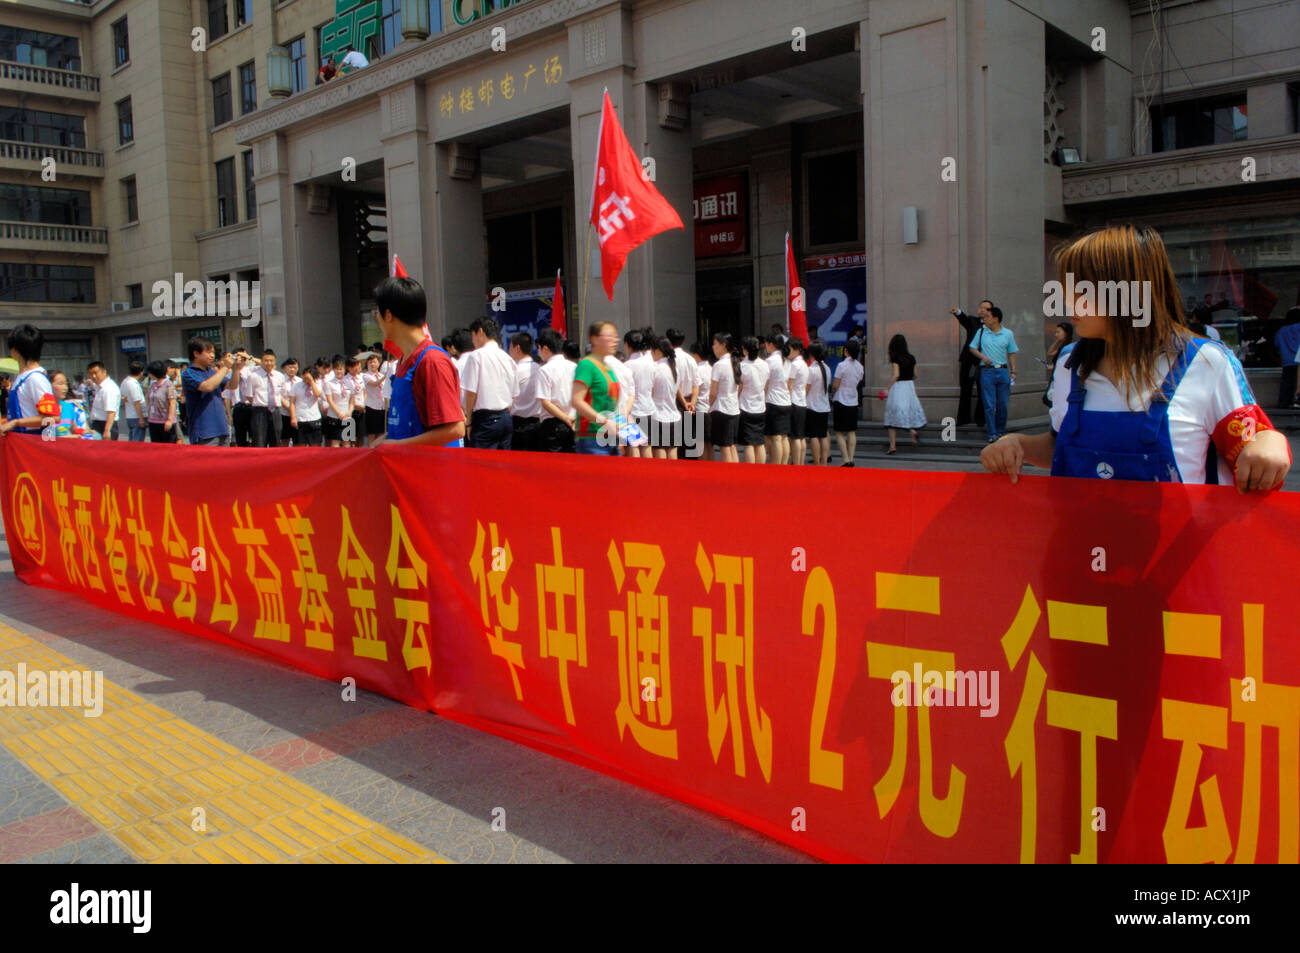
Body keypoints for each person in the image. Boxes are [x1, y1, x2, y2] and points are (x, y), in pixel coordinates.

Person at [982, 224, 1290, 493]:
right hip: (1076, 550)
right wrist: (1017, 444)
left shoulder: (1206, 363)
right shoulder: (1069, 364)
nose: (1065, 298)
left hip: (1175, 556)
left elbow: (1253, 445)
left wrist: (1271, 446)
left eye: (1078, 288)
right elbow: (1061, 446)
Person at [372, 277, 464, 446]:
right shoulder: (402, 361)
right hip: (406, 469)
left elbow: (455, 430)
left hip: (432, 470)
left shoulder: (432, 361)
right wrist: (385, 441)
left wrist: (396, 446)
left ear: (388, 315)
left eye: (376, 312)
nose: (376, 319)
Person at [463, 317, 519, 450]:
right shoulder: (508, 358)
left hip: (485, 420)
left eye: (473, 335)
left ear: (480, 332)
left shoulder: (476, 356)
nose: (472, 341)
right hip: (505, 418)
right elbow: (513, 394)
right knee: (503, 465)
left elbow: (470, 392)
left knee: (480, 466)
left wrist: (469, 421)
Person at [570, 322, 622, 456]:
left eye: (616, 337)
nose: (615, 341)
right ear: (594, 339)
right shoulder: (586, 364)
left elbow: (609, 402)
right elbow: (577, 401)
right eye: (609, 337)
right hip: (592, 437)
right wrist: (603, 421)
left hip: (610, 436)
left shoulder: (608, 366)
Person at [968, 305, 1017, 443]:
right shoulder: (982, 332)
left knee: (1003, 404)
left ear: (996, 319)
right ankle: (992, 433)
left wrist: (1013, 371)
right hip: (987, 371)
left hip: (1002, 371)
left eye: (987, 317)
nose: (984, 320)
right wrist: (983, 357)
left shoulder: (1008, 334)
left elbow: (1012, 352)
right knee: (989, 405)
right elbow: (972, 347)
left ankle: (1000, 430)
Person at [1, 323, 54, 436]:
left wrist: (16, 423)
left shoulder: (35, 378)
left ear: (14, 351)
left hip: (32, 444)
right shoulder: (22, 378)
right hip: (19, 443)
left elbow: (51, 418)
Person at [181, 337, 234, 446]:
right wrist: (225, 368)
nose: (212, 356)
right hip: (204, 431)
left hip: (222, 428)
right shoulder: (189, 373)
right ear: (196, 353)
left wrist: (236, 368)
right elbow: (207, 386)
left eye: (213, 352)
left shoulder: (213, 372)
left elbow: (232, 385)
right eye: (208, 352)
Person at [883, 334, 926, 454]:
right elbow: (915, 375)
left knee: (892, 416)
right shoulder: (912, 358)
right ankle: (912, 431)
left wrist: (887, 388)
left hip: (898, 387)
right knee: (906, 410)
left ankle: (892, 446)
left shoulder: (895, 358)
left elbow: (896, 375)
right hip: (909, 386)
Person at [534, 329, 575, 452]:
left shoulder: (544, 370)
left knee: (552, 467)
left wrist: (564, 418)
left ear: (545, 349)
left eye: (539, 349)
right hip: (573, 422)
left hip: (553, 425)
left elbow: (545, 402)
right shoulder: (574, 367)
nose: (539, 353)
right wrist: (571, 418)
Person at [949, 303, 989, 427]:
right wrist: (958, 312)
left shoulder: (993, 326)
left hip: (984, 361)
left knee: (983, 390)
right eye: (980, 307)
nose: (982, 310)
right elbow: (964, 319)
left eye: (986, 308)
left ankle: (980, 419)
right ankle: (963, 418)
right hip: (969, 360)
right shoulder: (973, 321)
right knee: (965, 389)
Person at [708, 333, 741, 464]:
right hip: (733, 408)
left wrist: (709, 406)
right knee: (732, 446)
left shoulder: (719, 365)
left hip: (722, 409)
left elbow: (713, 392)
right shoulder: (735, 362)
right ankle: (736, 476)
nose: (713, 347)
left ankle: (730, 477)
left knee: (725, 447)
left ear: (723, 345)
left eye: (715, 344)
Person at [831, 338, 863, 466]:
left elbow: (835, 385)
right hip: (853, 400)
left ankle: (845, 459)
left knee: (839, 431)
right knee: (851, 431)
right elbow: (858, 381)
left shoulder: (841, 365)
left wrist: (833, 390)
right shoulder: (860, 367)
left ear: (847, 351)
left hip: (841, 399)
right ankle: (851, 457)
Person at [647, 336, 681, 459]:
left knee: (659, 450)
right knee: (672, 450)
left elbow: (650, 393)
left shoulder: (656, 369)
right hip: (674, 415)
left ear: (658, 351)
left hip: (658, 415)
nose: (651, 354)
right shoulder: (674, 369)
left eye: (652, 351)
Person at [738, 336, 770, 464]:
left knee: (748, 444)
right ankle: (760, 471)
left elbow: (739, 388)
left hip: (746, 406)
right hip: (760, 406)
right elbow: (766, 386)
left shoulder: (742, 366)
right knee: (759, 442)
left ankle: (749, 472)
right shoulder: (765, 364)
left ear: (745, 350)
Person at [508, 332, 542, 452]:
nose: (509, 350)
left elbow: (509, 400)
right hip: (538, 424)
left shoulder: (515, 371)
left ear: (517, 348)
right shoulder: (540, 369)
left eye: (510, 346)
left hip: (518, 425)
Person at [625, 329, 656, 459]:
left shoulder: (627, 365)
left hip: (632, 411)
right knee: (647, 445)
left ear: (627, 345)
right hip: (649, 408)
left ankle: (636, 475)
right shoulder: (651, 363)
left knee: (634, 445)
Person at [248, 348, 287, 448]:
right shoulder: (253, 376)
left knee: (276, 440)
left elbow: (281, 393)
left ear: (275, 361)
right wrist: (261, 404)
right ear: (261, 361)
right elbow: (249, 396)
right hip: (260, 412)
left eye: (271, 360)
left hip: (276, 411)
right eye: (266, 360)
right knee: (259, 441)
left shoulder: (280, 376)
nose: (269, 363)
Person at [763, 335, 791, 465]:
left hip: (773, 401)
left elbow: (765, 383)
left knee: (775, 438)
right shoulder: (787, 360)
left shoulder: (771, 361)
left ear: (771, 344)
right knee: (783, 437)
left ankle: (776, 465)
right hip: (785, 400)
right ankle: (783, 464)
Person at [805, 340, 832, 466]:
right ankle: (824, 461)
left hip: (812, 405)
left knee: (814, 436)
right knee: (823, 435)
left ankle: (817, 461)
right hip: (824, 405)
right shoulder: (827, 368)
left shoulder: (812, 370)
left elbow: (806, 389)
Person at [787, 337, 809, 466]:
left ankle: (796, 462)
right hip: (802, 401)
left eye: (789, 349)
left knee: (794, 436)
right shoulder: (804, 364)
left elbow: (789, 385)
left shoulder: (795, 364)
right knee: (800, 436)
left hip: (794, 401)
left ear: (795, 349)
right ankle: (799, 462)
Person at [1273, 306, 1300, 409]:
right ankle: (1295, 401)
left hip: (1286, 361)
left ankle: (1283, 402)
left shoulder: (1281, 331)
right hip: (1298, 361)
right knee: (1296, 382)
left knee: (1286, 382)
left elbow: (1276, 344)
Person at [1042, 322, 1074, 408]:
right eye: (1055, 332)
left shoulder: (1069, 348)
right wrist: (1058, 341)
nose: (1056, 334)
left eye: (1058, 332)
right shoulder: (1062, 347)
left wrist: (1054, 367)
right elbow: (1050, 352)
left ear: (1066, 332)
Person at [690, 341, 713, 461]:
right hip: (710, 409)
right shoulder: (711, 368)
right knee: (710, 444)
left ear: (696, 354)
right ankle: (712, 470)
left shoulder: (697, 370)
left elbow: (693, 390)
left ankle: (704, 470)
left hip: (699, 409)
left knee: (701, 444)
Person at [86, 361, 121, 440]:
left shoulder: (109, 388)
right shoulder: (100, 386)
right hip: (98, 424)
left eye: (96, 373)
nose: (93, 376)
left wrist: (107, 430)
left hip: (106, 424)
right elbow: (94, 385)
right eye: (91, 374)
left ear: (104, 372)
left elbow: (111, 412)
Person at [290, 366, 324, 446]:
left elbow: (317, 394)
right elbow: (292, 403)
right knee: (300, 446)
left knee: (315, 446)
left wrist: (311, 382)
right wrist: (293, 417)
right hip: (300, 419)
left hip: (314, 418)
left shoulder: (318, 384)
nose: (306, 379)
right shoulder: (296, 386)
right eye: (304, 376)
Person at [145, 360, 178, 444]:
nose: (149, 374)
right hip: (153, 421)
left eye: (150, 372)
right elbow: (148, 399)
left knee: (168, 449)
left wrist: (169, 420)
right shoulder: (152, 385)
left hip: (165, 421)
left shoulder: (168, 385)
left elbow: (172, 403)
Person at [322, 355, 351, 447]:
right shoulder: (329, 383)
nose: (339, 371)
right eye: (337, 369)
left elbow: (352, 400)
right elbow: (330, 400)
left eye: (341, 369)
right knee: (335, 443)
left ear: (345, 369)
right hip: (334, 416)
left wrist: (349, 411)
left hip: (347, 416)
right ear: (333, 370)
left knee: (347, 443)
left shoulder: (349, 382)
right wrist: (339, 413)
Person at [120, 361, 147, 442]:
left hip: (129, 415)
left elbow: (123, 397)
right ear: (141, 372)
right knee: (137, 441)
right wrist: (141, 419)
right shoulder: (133, 384)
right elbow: (137, 402)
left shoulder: (125, 381)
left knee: (132, 440)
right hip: (136, 416)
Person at [345, 355, 366, 447]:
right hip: (351, 410)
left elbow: (365, 392)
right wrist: (356, 406)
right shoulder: (345, 379)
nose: (356, 368)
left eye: (358, 365)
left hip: (362, 409)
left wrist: (363, 404)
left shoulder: (362, 377)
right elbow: (348, 396)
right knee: (351, 437)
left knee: (361, 436)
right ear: (348, 368)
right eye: (354, 366)